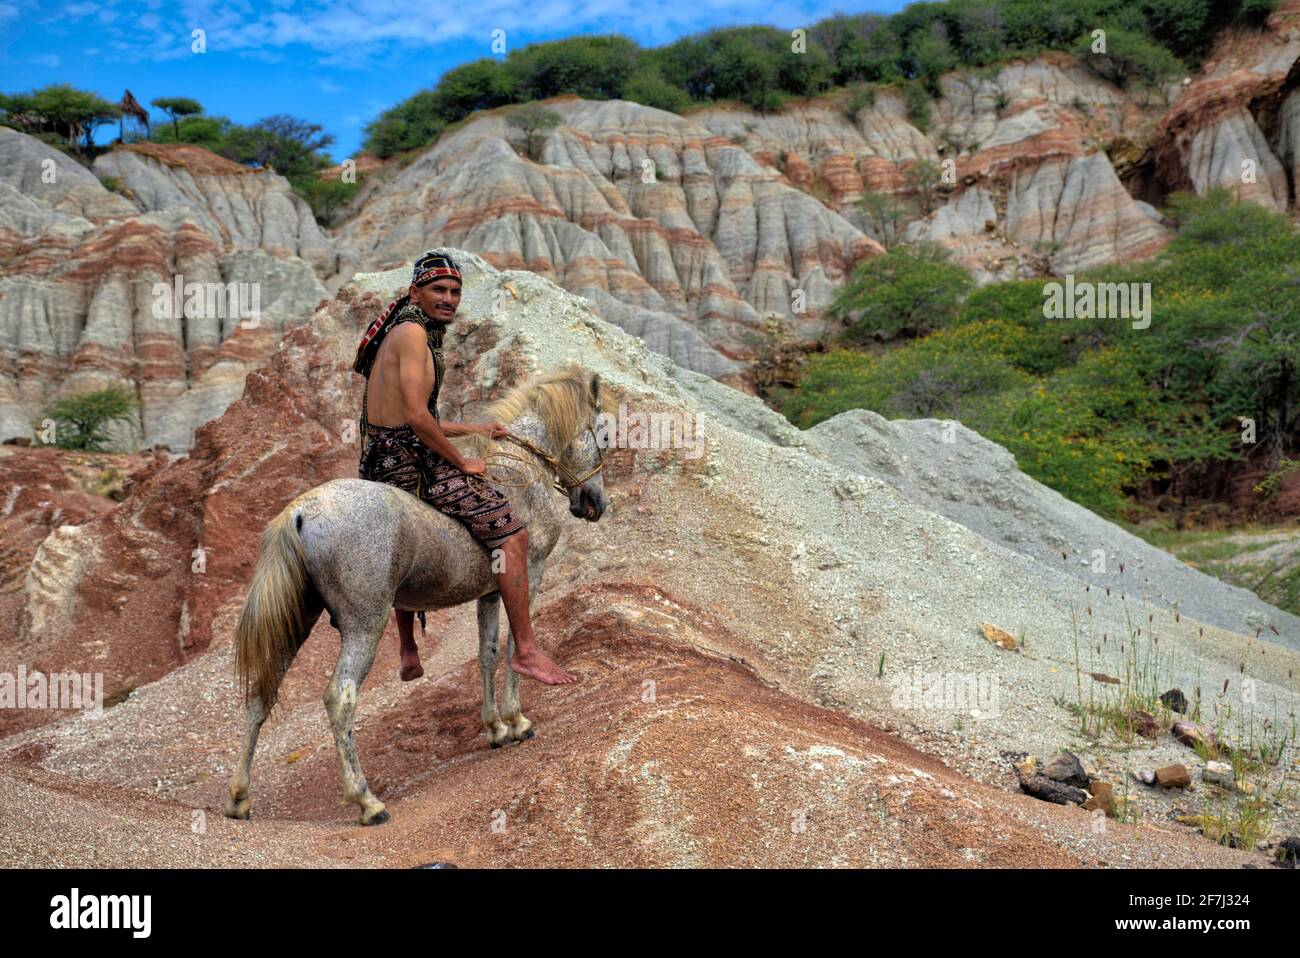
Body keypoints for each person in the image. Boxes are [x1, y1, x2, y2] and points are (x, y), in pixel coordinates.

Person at [353, 251, 577, 685]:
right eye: (439, 289)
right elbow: (418, 420)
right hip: (409, 461)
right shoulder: (416, 335)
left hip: (377, 458)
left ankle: (407, 648)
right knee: (513, 532)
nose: (449, 298)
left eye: (456, 292)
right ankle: (527, 651)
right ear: (414, 291)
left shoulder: (397, 332)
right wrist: (462, 461)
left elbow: (405, 415)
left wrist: (474, 427)